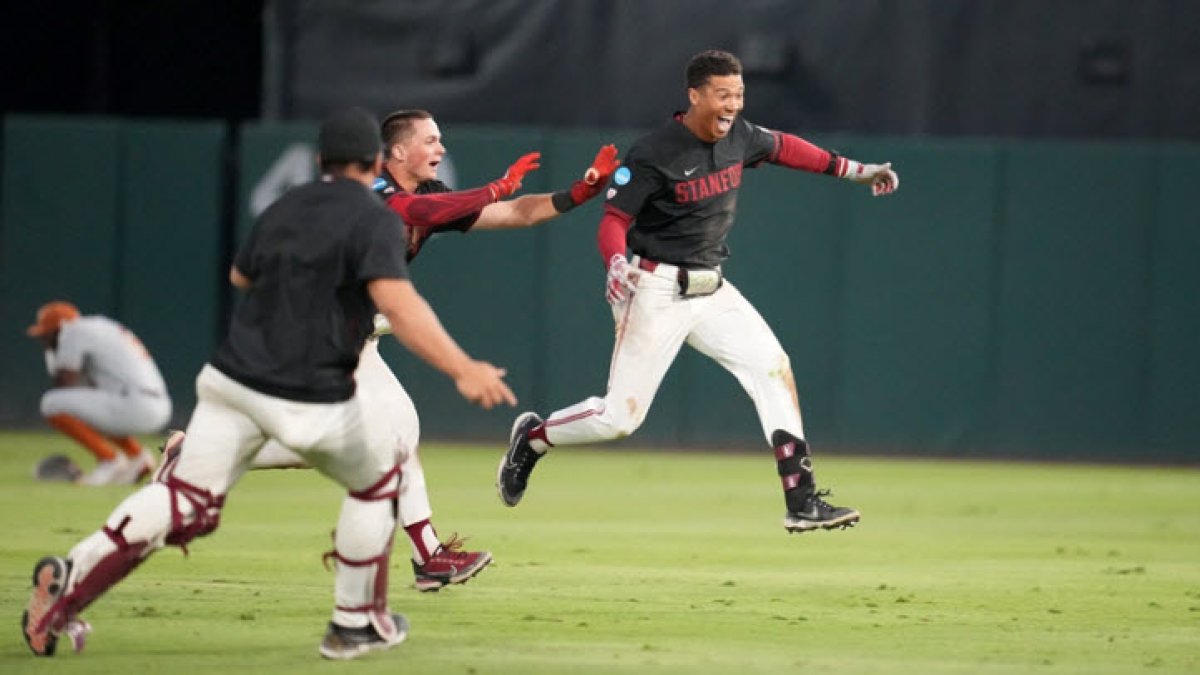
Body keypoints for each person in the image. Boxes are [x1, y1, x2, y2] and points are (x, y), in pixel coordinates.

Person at [22, 107, 517, 661]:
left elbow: (241, 275)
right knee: (385, 472)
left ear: (318, 161)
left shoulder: (288, 205)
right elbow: (400, 305)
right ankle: (355, 623)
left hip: (231, 373)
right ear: (376, 160)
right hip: (301, 381)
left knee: (184, 500)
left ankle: (67, 585)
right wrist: (462, 368)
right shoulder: (378, 215)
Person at [497, 50, 900, 534]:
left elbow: (788, 148)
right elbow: (614, 220)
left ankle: (801, 498)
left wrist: (859, 171)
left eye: (739, 94)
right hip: (653, 289)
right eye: (722, 94)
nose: (733, 104)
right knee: (619, 419)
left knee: (773, 367)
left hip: (711, 288)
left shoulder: (743, 136)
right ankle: (535, 437)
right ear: (694, 96)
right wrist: (616, 261)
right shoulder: (653, 152)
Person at [242, 108, 620, 591]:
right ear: (397, 151)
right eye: (431, 140)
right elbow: (415, 214)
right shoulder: (373, 187)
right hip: (314, 332)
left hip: (351, 336)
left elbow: (516, 212)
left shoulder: (427, 195)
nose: (441, 148)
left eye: (441, 140)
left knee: (379, 435)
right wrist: (495, 187)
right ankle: (427, 558)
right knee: (372, 439)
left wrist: (580, 193)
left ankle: (428, 558)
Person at [27, 301, 168, 485]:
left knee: (51, 403)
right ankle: (137, 458)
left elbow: (64, 382)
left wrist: (51, 352)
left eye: (47, 334)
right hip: (156, 404)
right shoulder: (102, 326)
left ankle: (109, 460)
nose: (44, 339)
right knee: (91, 405)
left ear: (60, 328)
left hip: (133, 402)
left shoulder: (72, 331)